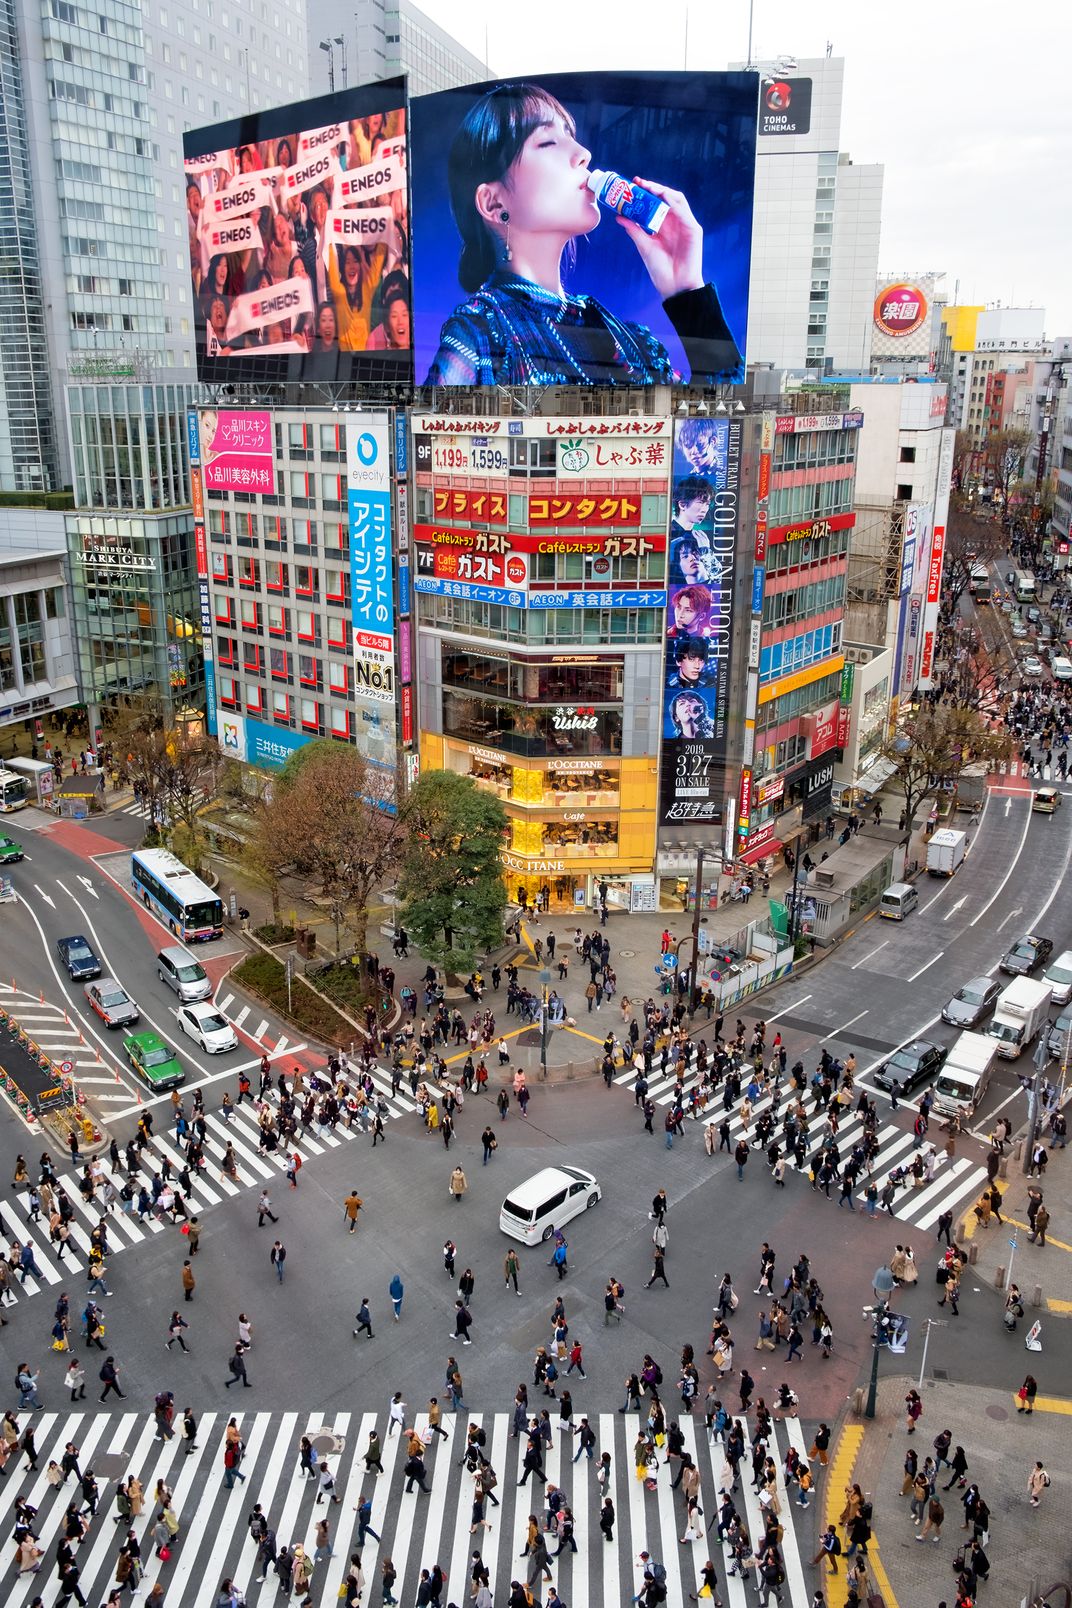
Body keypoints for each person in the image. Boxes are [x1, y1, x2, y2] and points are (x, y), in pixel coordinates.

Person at [423, 82, 742, 387]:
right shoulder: (478, 332)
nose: (583, 153)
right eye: (547, 142)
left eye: (570, 136)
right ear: (493, 202)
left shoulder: (630, 341)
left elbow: (711, 439)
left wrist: (687, 292)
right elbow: (437, 438)